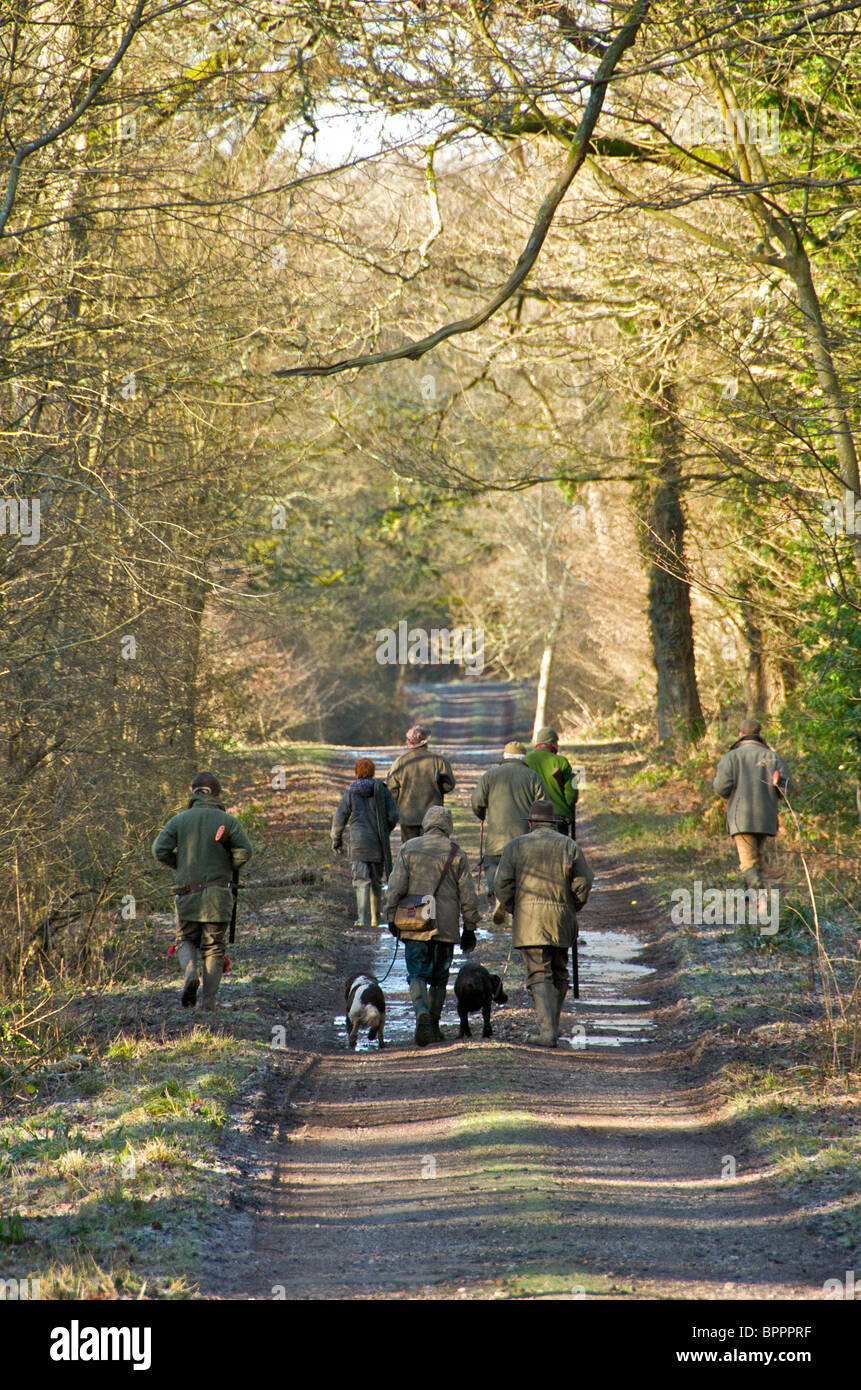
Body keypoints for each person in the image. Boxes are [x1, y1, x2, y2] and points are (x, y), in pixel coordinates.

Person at [494, 799, 594, 1048]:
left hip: (529, 922)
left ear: (530, 823)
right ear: (553, 823)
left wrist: (513, 908)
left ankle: (548, 1032)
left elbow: (502, 885)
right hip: (562, 921)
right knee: (559, 972)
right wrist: (572, 906)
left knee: (539, 973)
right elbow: (584, 882)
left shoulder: (515, 846)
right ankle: (552, 1028)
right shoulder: (569, 845)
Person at [153, 772, 253, 1011]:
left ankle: (190, 974)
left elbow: (159, 850)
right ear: (217, 794)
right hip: (218, 896)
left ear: (194, 793)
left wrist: (182, 864)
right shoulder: (228, 821)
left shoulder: (179, 820)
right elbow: (245, 851)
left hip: (187, 893)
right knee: (214, 947)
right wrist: (229, 863)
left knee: (185, 939)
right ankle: (207, 1003)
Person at [385, 805, 479, 1046]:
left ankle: (421, 1012)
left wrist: (391, 915)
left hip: (414, 923)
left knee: (416, 973)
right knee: (438, 978)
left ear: (426, 823)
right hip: (445, 928)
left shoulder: (409, 848)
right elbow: (468, 894)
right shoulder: (456, 853)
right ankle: (434, 1025)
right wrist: (469, 926)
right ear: (448, 827)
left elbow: (395, 887)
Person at [713, 719, 792, 889]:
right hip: (766, 817)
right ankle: (750, 897)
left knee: (747, 862)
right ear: (759, 734)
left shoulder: (731, 757)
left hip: (740, 818)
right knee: (754, 859)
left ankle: (758, 894)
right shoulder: (773, 757)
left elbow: (721, 788)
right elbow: (786, 789)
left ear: (740, 735)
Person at [471, 742, 544, 904]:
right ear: (523, 757)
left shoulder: (490, 775)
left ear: (505, 756)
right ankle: (516, 901)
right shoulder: (533, 776)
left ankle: (497, 895)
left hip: (496, 839)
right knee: (521, 870)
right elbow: (543, 806)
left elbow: (477, 801)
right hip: (524, 839)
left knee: (492, 864)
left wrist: (481, 814)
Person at [332, 757, 399, 927]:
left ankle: (362, 918)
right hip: (377, 842)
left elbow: (340, 818)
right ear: (373, 771)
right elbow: (393, 816)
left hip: (358, 842)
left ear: (357, 772)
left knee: (361, 879)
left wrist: (336, 840)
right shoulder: (382, 790)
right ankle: (376, 917)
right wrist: (385, 830)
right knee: (376, 879)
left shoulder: (350, 792)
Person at [386, 725, 455, 842]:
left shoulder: (400, 762)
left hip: (408, 816)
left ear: (409, 743)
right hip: (433, 815)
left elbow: (392, 789)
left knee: (409, 852)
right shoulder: (439, 761)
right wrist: (437, 787)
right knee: (430, 852)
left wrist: (394, 810)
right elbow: (449, 785)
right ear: (425, 742)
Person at [524, 727, 579, 834]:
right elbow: (572, 794)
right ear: (552, 743)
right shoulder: (561, 761)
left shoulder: (526, 760)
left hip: (533, 817)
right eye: (557, 742)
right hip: (558, 818)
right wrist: (566, 807)